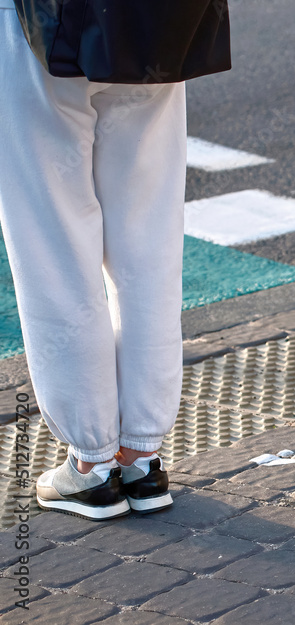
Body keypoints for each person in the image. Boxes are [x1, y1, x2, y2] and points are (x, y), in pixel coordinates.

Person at [0, 1, 185, 518]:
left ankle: (92, 463)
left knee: (53, 240)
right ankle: (141, 456)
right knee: (148, 236)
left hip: (36, 21)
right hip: (153, 26)